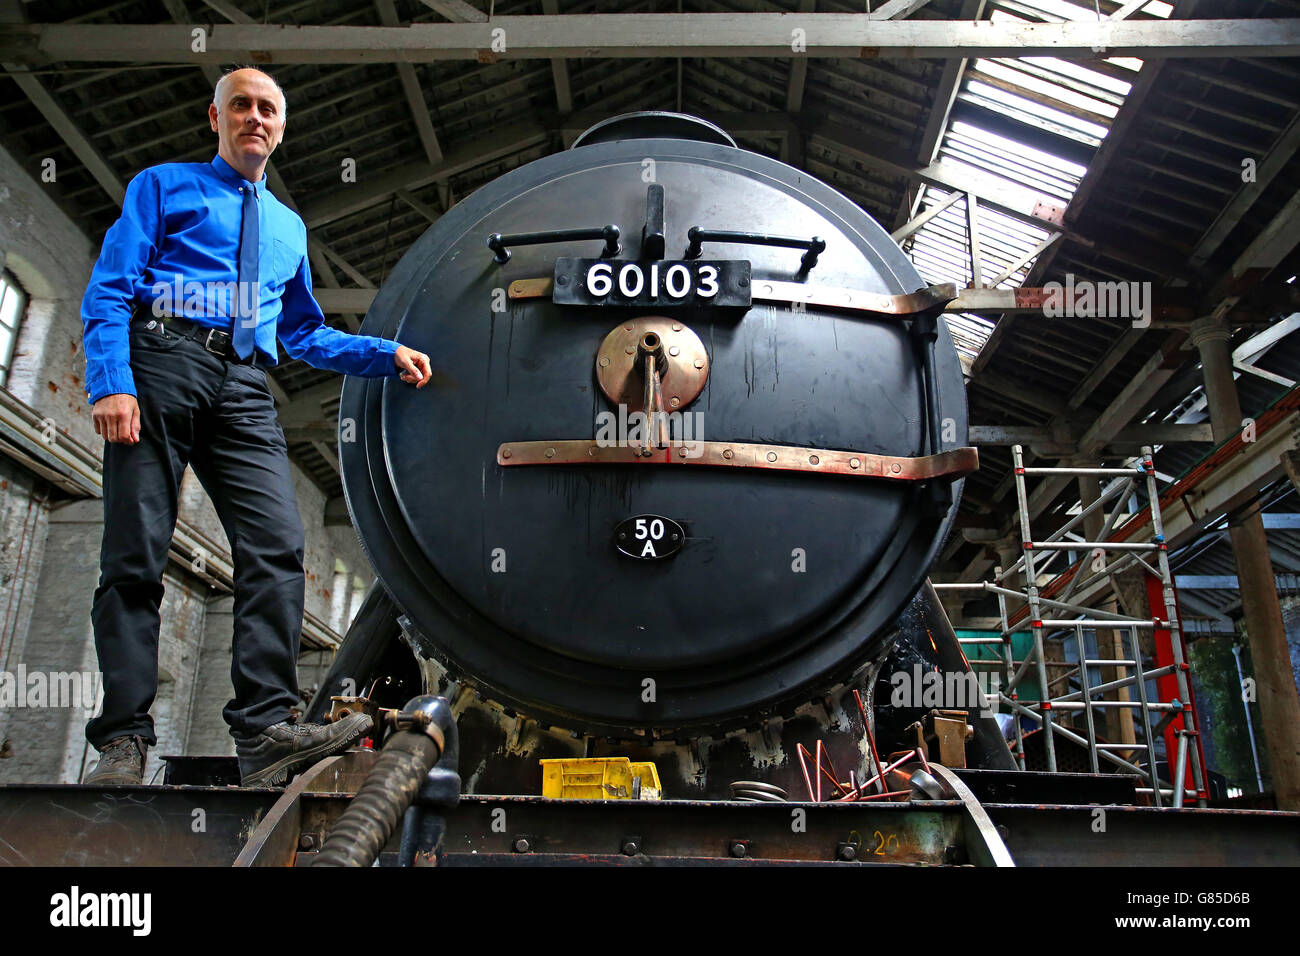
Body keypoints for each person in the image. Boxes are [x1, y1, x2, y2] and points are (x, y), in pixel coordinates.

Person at [79, 67, 431, 788]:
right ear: (215, 117)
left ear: (281, 125)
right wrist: (110, 381)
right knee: (137, 553)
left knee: (277, 545)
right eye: (240, 105)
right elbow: (111, 286)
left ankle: (265, 728)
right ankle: (122, 740)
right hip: (159, 360)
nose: (254, 118)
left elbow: (303, 334)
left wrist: (382, 353)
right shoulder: (162, 185)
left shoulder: (289, 226)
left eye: (267, 108)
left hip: (243, 381)